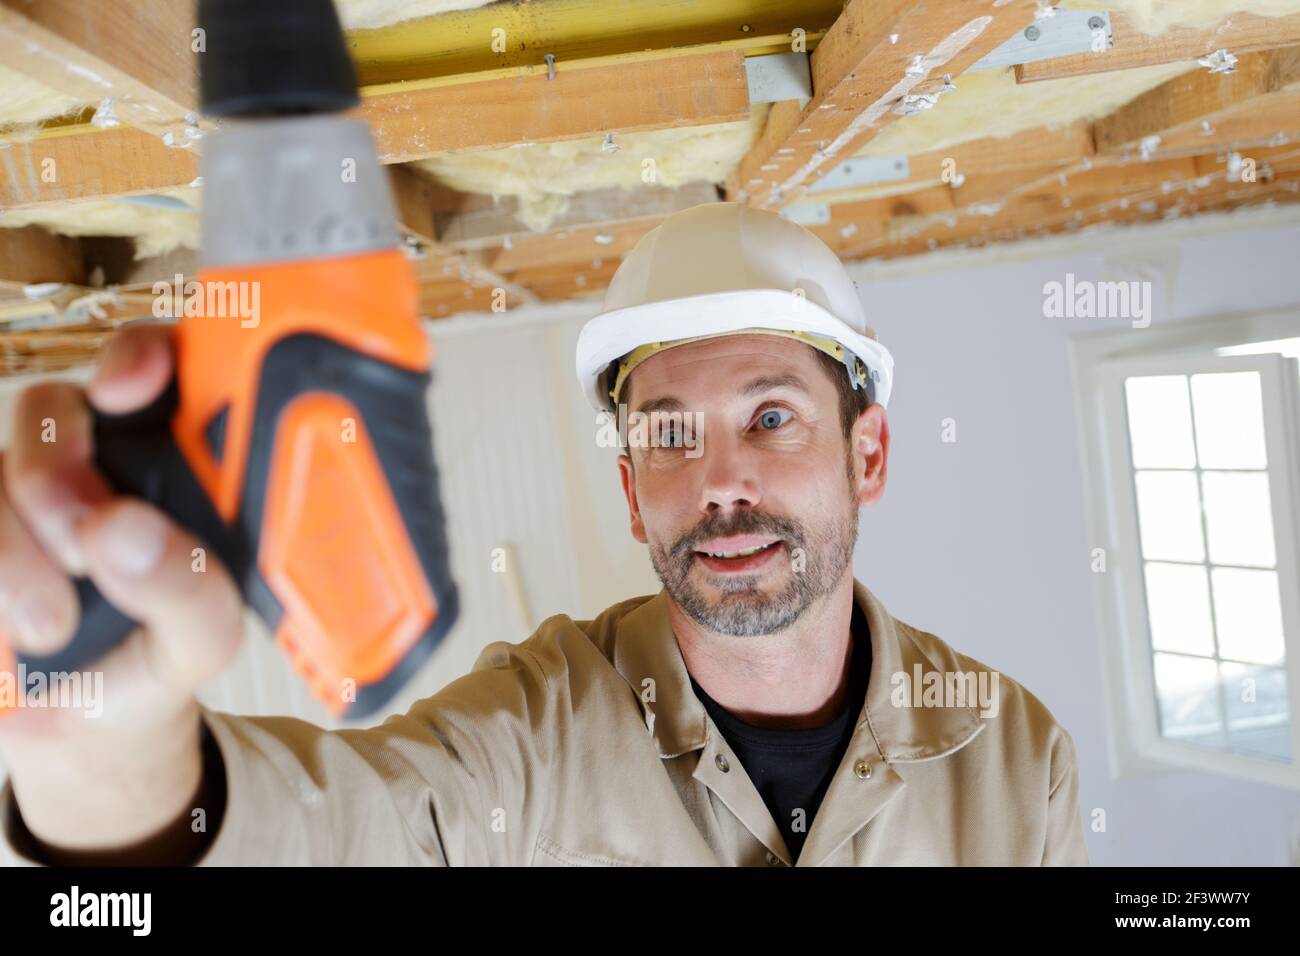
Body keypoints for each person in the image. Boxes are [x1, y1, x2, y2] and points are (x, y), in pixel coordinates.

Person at [0, 202, 1087, 866]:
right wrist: (105, 750)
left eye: (770, 417)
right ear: (629, 490)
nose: (718, 483)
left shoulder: (1012, 758)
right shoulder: (535, 723)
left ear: (868, 454)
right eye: (667, 433)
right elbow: (341, 836)